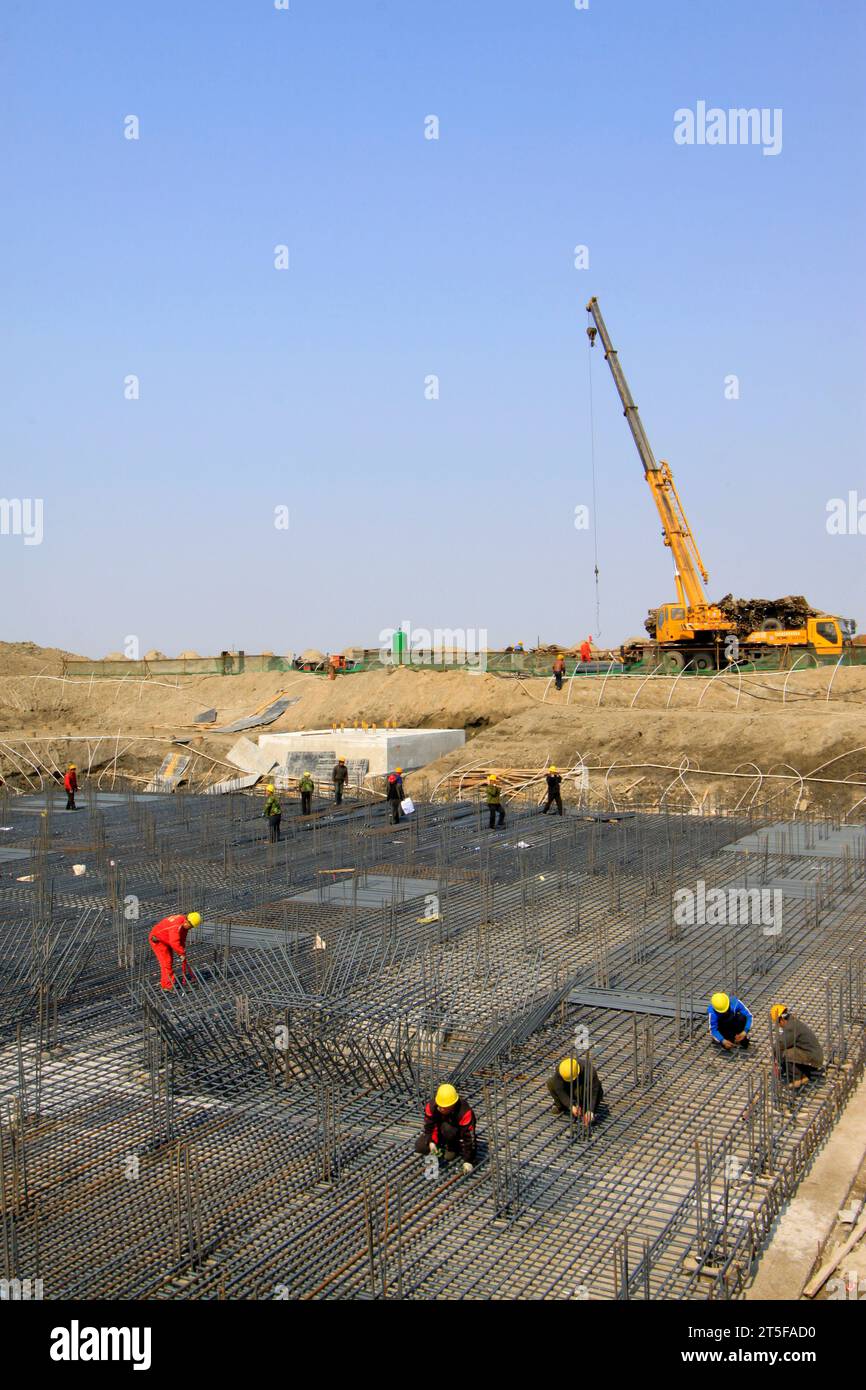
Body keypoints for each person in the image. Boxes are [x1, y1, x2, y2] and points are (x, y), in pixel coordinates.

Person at [414, 1083, 477, 1173]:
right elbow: (429, 1127)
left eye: (445, 1107)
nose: (442, 1109)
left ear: (453, 1105)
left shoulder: (464, 1112)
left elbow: (469, 1138)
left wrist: (468, 1161)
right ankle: (441, 1145)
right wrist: (432, 1142)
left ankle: (453, 1147)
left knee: (448, 1130)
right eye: (440, 1106)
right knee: (420, 1147)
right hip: (440, 1132)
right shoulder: (432, 1106)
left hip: (455, 1134)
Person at [771, 1003, 823, 1088]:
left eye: (778, 1024)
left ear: (781, 1020)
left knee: (785, 1053)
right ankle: (803, 1074)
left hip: (813, 1059)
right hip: (813, 1056)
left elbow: (780, 1045)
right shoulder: (793, 1021)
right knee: (787, 1051)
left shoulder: (791, 1027)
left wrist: (776, 1059)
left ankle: (797, 1078)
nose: (779, 1026)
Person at [148, 911, 201, 991]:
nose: (190, 928)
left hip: (166, 938)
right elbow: (174, 942)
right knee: (166, 962)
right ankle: (167, 986)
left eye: (192, 927)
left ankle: (167, 983)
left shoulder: (184, 924)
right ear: (187, 921)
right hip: (157, 940)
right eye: (190, 926)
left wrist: (182, 952)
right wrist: (181, 953)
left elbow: (181, 939)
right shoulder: (177, 925)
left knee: (169, 961)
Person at [547, 1056, 602, 1126]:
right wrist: (571, 1106)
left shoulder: (589, 1071)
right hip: (570, 1089)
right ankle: (562, 1106)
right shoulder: (562, 1069)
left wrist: (590, 1110)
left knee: (593, 1088)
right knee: (551, 1082)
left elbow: (594, 1093)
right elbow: (559, 1090)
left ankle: (585, 1109)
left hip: (583, 1091)